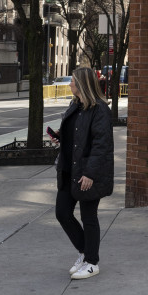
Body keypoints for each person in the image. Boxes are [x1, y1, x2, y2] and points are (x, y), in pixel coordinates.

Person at [49, 66, 114, 280]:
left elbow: (101, 145)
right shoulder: (75, 105)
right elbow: (75, 134)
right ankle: (85, 253)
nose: (70, 84)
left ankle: (92, 262)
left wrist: (90, 174)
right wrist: (60, 136)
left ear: (83, 84)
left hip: (87, 172)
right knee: (62, 212)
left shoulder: (100, 109)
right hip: (69, 168)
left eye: (73, 81)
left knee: (89, 216)